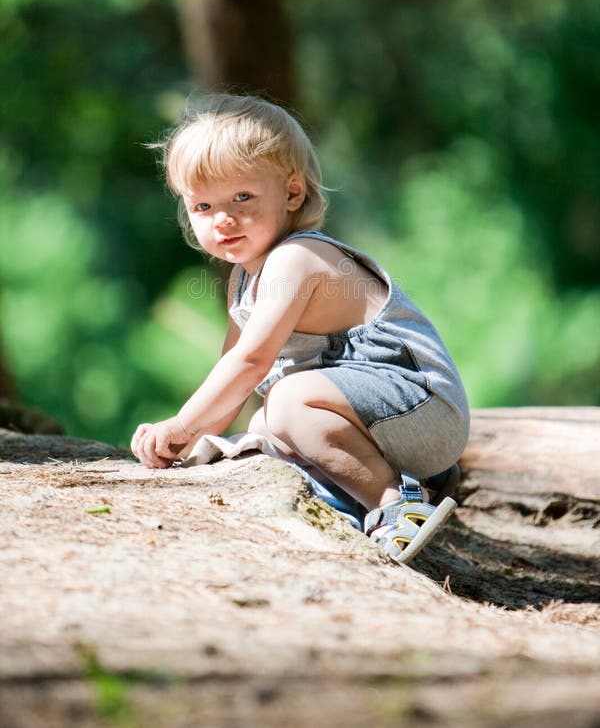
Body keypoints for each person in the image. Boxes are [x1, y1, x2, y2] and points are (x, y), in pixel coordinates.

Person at [131, 94, 469, 564]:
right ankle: (359, 497)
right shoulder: (243, 280)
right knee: (267, 420)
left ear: (292, 193)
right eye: (203, 205)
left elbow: (251, 364)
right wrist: (184, 445)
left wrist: (182, 422)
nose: (222, 219)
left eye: (242, 197)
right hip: (384, 418)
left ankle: (396, 504)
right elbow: (232, 371)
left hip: (422, 407)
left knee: (287, 403)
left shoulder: (299, 258)